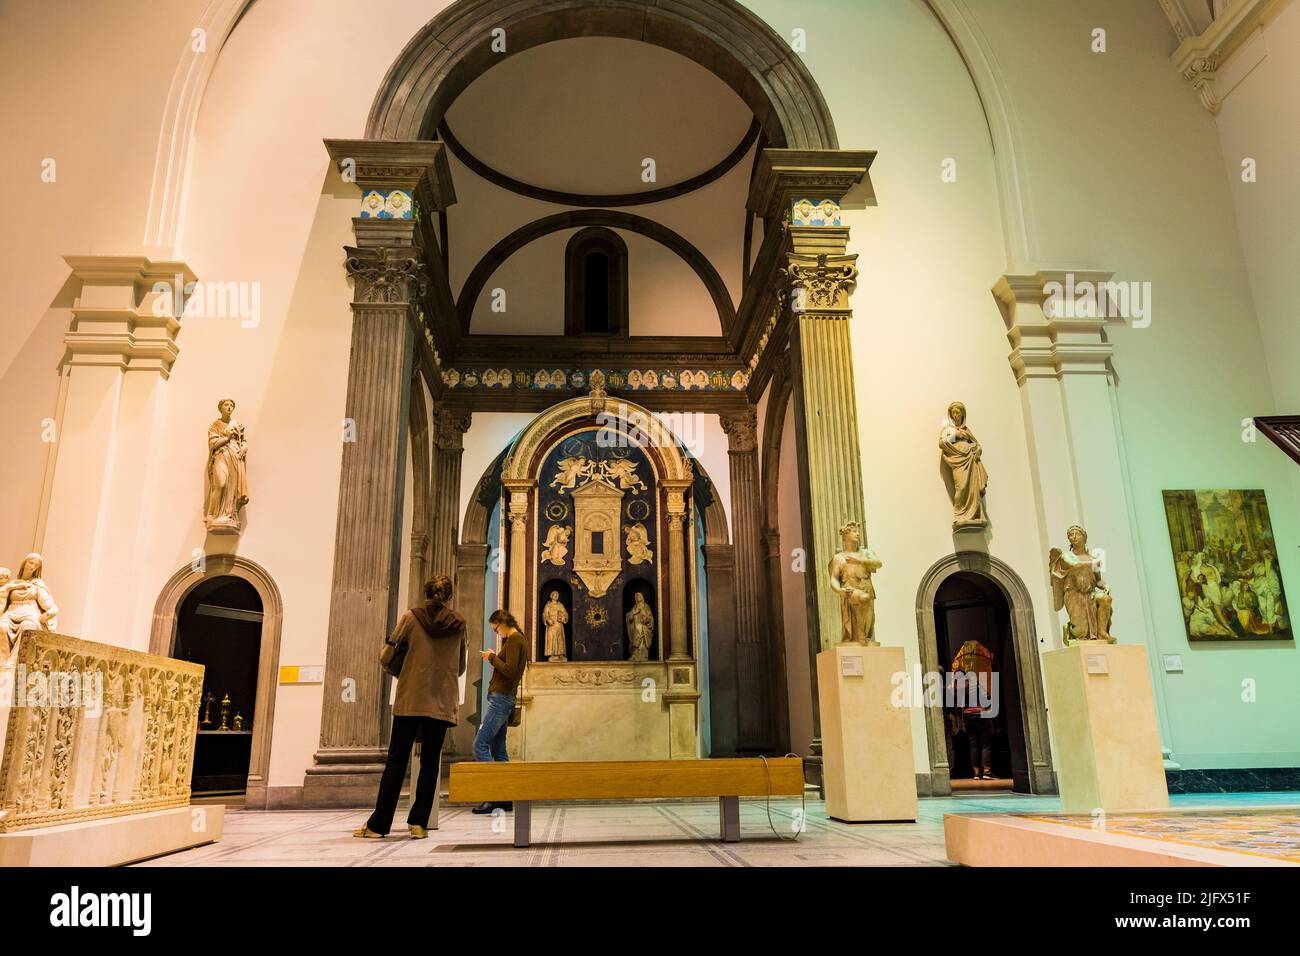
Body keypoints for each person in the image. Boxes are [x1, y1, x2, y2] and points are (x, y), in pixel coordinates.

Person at [354, 575, 467, 839]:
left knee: (396, 762)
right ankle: (419, 825)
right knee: (430, 763)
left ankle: (378, 825)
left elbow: (387, 655)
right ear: (449, 596)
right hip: (441, 700)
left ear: (425, 592)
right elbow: (461, 665)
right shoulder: (459, 624)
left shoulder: (410, 617)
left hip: (410, 699)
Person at [471, 608, 527, 815]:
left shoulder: (514, 640)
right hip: (503, 698)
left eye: (495, 630)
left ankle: (494, 795)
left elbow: (510, 670)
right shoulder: (517, 640)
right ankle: (503, 799)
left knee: (480, 745)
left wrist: (492, 657)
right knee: (499, 750)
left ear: (501, 623)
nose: (497, 633)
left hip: (501, 699)